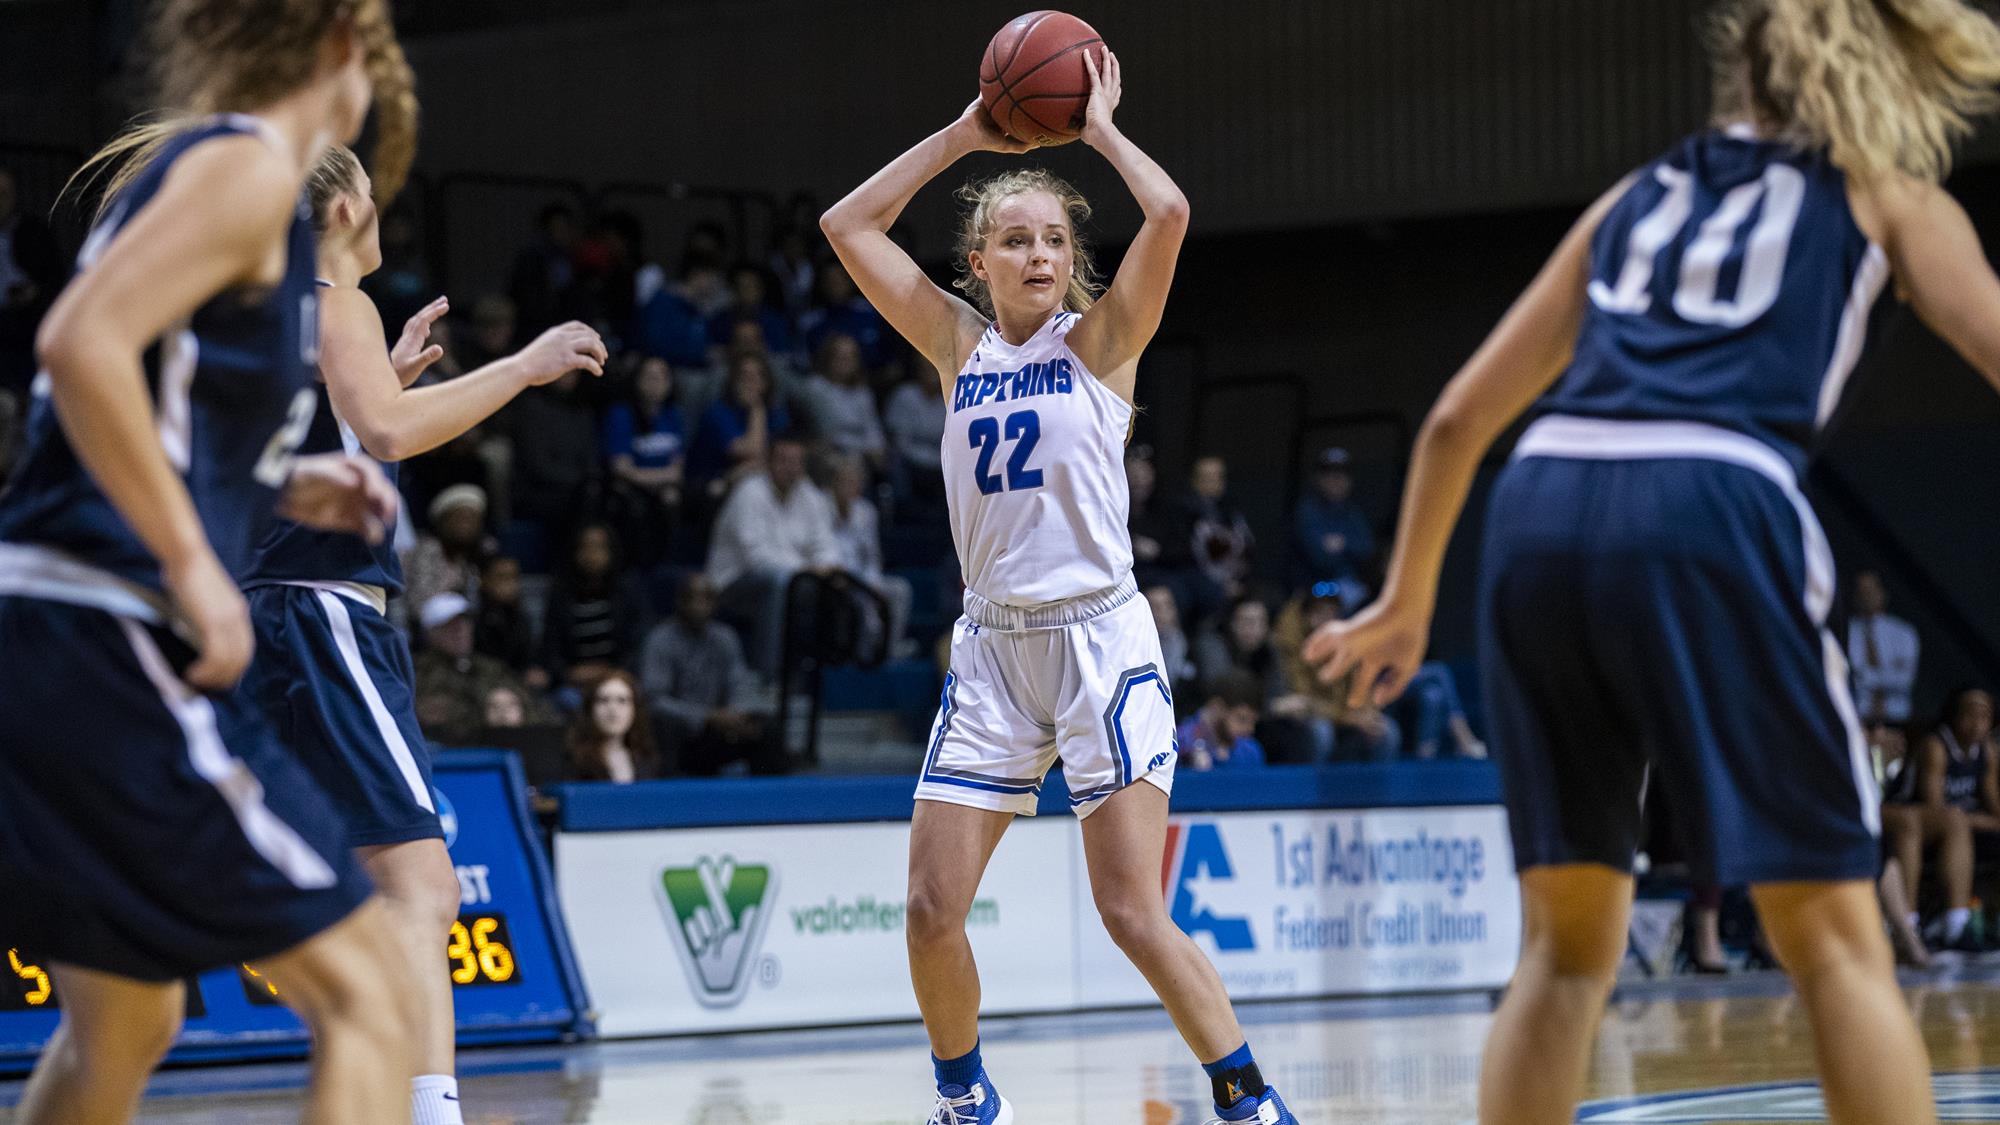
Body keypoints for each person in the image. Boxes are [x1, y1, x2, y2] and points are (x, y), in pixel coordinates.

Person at [1306, 4, 2000, 1120]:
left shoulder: (1636, 196)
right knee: (1836, 942)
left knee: (1562, 950)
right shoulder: (1888, 197)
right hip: (1712, 493)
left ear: (1741, 67)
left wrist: (1406, 601)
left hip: (1541, 498)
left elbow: (1455, 420)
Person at [823, 48, 1297, 1125]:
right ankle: (965, 1099)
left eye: (1052, 238)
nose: (1037, 252)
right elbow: (847, 227)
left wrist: (1099, 129)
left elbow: (1168, 213)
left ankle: (1247, 1098)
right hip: (993, 650)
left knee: (1130, 911)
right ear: (977, 261)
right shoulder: (955, 344)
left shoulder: (1104, 344)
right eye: (1013, 238)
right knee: (928, 908)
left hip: (1097, 642)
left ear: (1072, 257)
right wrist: (962, 136)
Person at [0, 2, 425, 1120]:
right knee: (369, 994)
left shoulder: (216, 179)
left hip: (48, 627)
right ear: (341, 50)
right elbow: (79, 343)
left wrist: (280, 483)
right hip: (100, 624)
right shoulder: (246, 167)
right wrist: (193, 562)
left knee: (127, 1025)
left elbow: (143, 403)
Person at [237, 139, 605, 1125]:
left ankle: (363, 1089)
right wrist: (523, 367)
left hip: (277, 609)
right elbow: (392, 433)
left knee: (352, 888)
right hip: (323, 610)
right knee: (422, 885)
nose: (380, 201)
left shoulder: (287, 310)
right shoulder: (337, 301)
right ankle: (430, 1109)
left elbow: (352, 430)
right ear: (343, 210)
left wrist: (382, 385)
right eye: (369, 187)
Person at [705, 435, 843, 676]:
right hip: (732, 582)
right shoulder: (749, 493)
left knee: (835, 582)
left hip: (797, 579)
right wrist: (807, 570)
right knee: (781, 583)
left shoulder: (809, 495)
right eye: (783, 460)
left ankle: (822, 674)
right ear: (768, 463)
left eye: (796, 461)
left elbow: (825, 543)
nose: (790, 468)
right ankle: (768, 677)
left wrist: (828, 566)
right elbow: (757, 558)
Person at [639, 572, 787, 776]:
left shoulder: (725, 637)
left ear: (715, 604)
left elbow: (739, 683)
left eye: (706, 599)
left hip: (718, 729)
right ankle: (666, 790)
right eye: (692, 598)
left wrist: (736, 714)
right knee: (662, 724)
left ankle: (768, 793)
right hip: (682, 731)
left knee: (766, 727)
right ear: (679, 602)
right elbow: (655, 700)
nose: (699, 606)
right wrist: (706, 716)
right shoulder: (660, 640)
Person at [1909, 687, 2000, 948]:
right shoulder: (1936, 746)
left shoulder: (1987, 750)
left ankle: (1991, 919)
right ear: (1954, 715)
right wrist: (1978, 820)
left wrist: (1981, 820)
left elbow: (1994, 806)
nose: (1977, 723)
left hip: (1966, 824)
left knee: (1960, 824)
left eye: (1984, 716)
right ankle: (1955, 925)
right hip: (1918, 822)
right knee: (1954, 823)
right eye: (1969, 714)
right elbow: (1937, 812)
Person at [415, 592, 536, 747]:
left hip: (497, 746)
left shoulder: (491, 667)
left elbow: (528, 706)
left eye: (464, 622)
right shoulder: (419, 672)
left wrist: (511, 709)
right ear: (431, 633)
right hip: (444, 750)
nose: (460, 630)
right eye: (450, 625)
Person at [539, 521, 647, 693]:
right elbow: (550, 647)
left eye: (599, 547)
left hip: (618, 677)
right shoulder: (560, 595)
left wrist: (613, 672)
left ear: (612, 552)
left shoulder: (628, 592)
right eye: (585, 547)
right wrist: (567, 673)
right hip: (572, 681)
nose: (591, 554)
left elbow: (638, 644)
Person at [1291, 446, 1375, 599]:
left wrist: (1342, 544)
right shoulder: (1307, 510)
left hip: (1349, 586)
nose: (1336, 479)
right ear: (1318, 478)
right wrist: (1349, 547)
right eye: (1329, 473)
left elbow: (1367, 550)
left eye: (1342, 474)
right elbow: (1321, 559)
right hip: (1313, 588)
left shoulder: (1353, 512)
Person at [1848, 569, 1920, 725]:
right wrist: (1889, 673)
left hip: (1898, 717)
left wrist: (1864, 675)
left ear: (1883, 593)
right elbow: (1847, 678)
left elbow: (1905, 679)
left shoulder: (1903, 632)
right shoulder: (1845, 633)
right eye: (1861, 591)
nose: (1866, 597)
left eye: (1871, 590)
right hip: (1857, 716)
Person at [563, 670, 662, 783]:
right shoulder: (571, 760)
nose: (613, 709)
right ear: (589, 709)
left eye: (622, 700)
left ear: (635, 709)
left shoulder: (648, 758)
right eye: (603, 700)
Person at [1176, 670, 1267, 771]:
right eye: (1242, 719)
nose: (1250, 728)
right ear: (1216, 707)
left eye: (1253, 721)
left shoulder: (1251, 751)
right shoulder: (1178, 743)